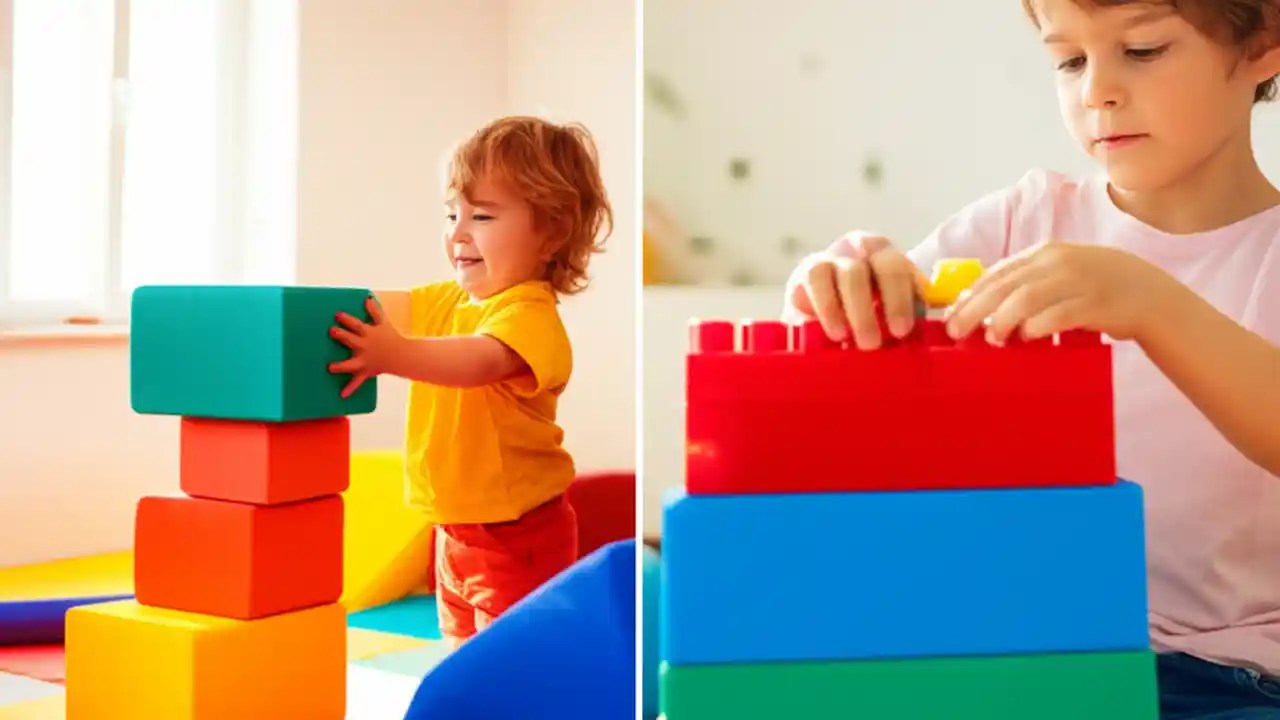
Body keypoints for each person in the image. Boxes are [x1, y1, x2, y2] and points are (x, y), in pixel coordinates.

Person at [785, 1, 1280, 717]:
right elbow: (824, 381)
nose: (1096, 91)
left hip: (1221, 679)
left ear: (1264, 40)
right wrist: (838, 279)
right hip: (1015, 656)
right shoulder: (1021, 222)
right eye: (1069, 60)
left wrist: (1150, 301)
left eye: (1142, 50)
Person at [327, 115, 613, 649]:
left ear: (551, 232)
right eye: (451, 214)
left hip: (517, 538)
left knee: (510, 669)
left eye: (481, 215)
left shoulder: (528, 314)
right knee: (459, 663)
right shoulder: (449, 301)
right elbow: (368, 307)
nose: (458, 232)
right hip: (453, 534)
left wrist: (395, 353)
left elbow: (479, 362)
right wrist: (301, 312)